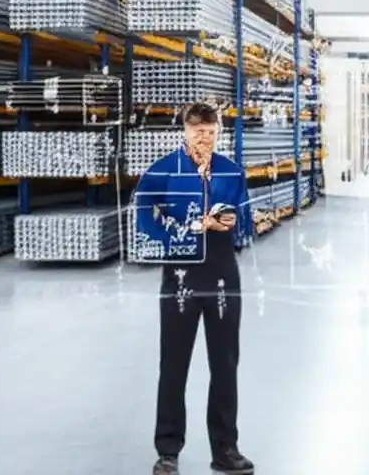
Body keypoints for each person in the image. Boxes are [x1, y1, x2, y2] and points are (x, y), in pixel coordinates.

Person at [135, 102, 256, 475]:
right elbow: (143, 212)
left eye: (211, 131)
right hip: (181, 272)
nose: (204, 137)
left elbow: (247, 220)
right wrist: (175, 233)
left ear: (219, 132)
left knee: (225, 363)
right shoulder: (163, 171)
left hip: (221, 272)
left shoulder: (232, 172)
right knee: (174, 362)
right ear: (185, 131)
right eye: (197, 131)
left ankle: (225, 448)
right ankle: (168, 450)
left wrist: (229, 222)